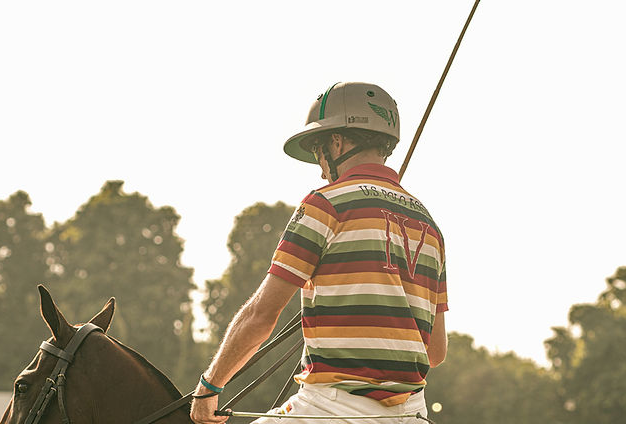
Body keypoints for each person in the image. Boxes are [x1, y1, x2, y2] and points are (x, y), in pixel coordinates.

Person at [191, 82, 448, 424]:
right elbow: (435, 352)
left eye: (318, 151)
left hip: (331, 411)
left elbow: (260, 317)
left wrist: (209, 386)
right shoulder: (429, 226)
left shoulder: (325, 204)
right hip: (414, 415)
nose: (321, 168)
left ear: (337, 142)